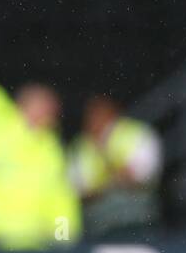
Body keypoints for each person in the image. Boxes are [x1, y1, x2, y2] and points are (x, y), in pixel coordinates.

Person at [69, 96, 162, 239]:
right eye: (91, 116)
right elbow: (79, 190)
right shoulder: (81, 145)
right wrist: (111, 180)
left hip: (136, 221)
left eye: (100, 115)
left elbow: (142, 178)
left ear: (112, 114)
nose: (94, 120)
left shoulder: (137, 134)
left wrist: (106, 173)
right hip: (99, 225)